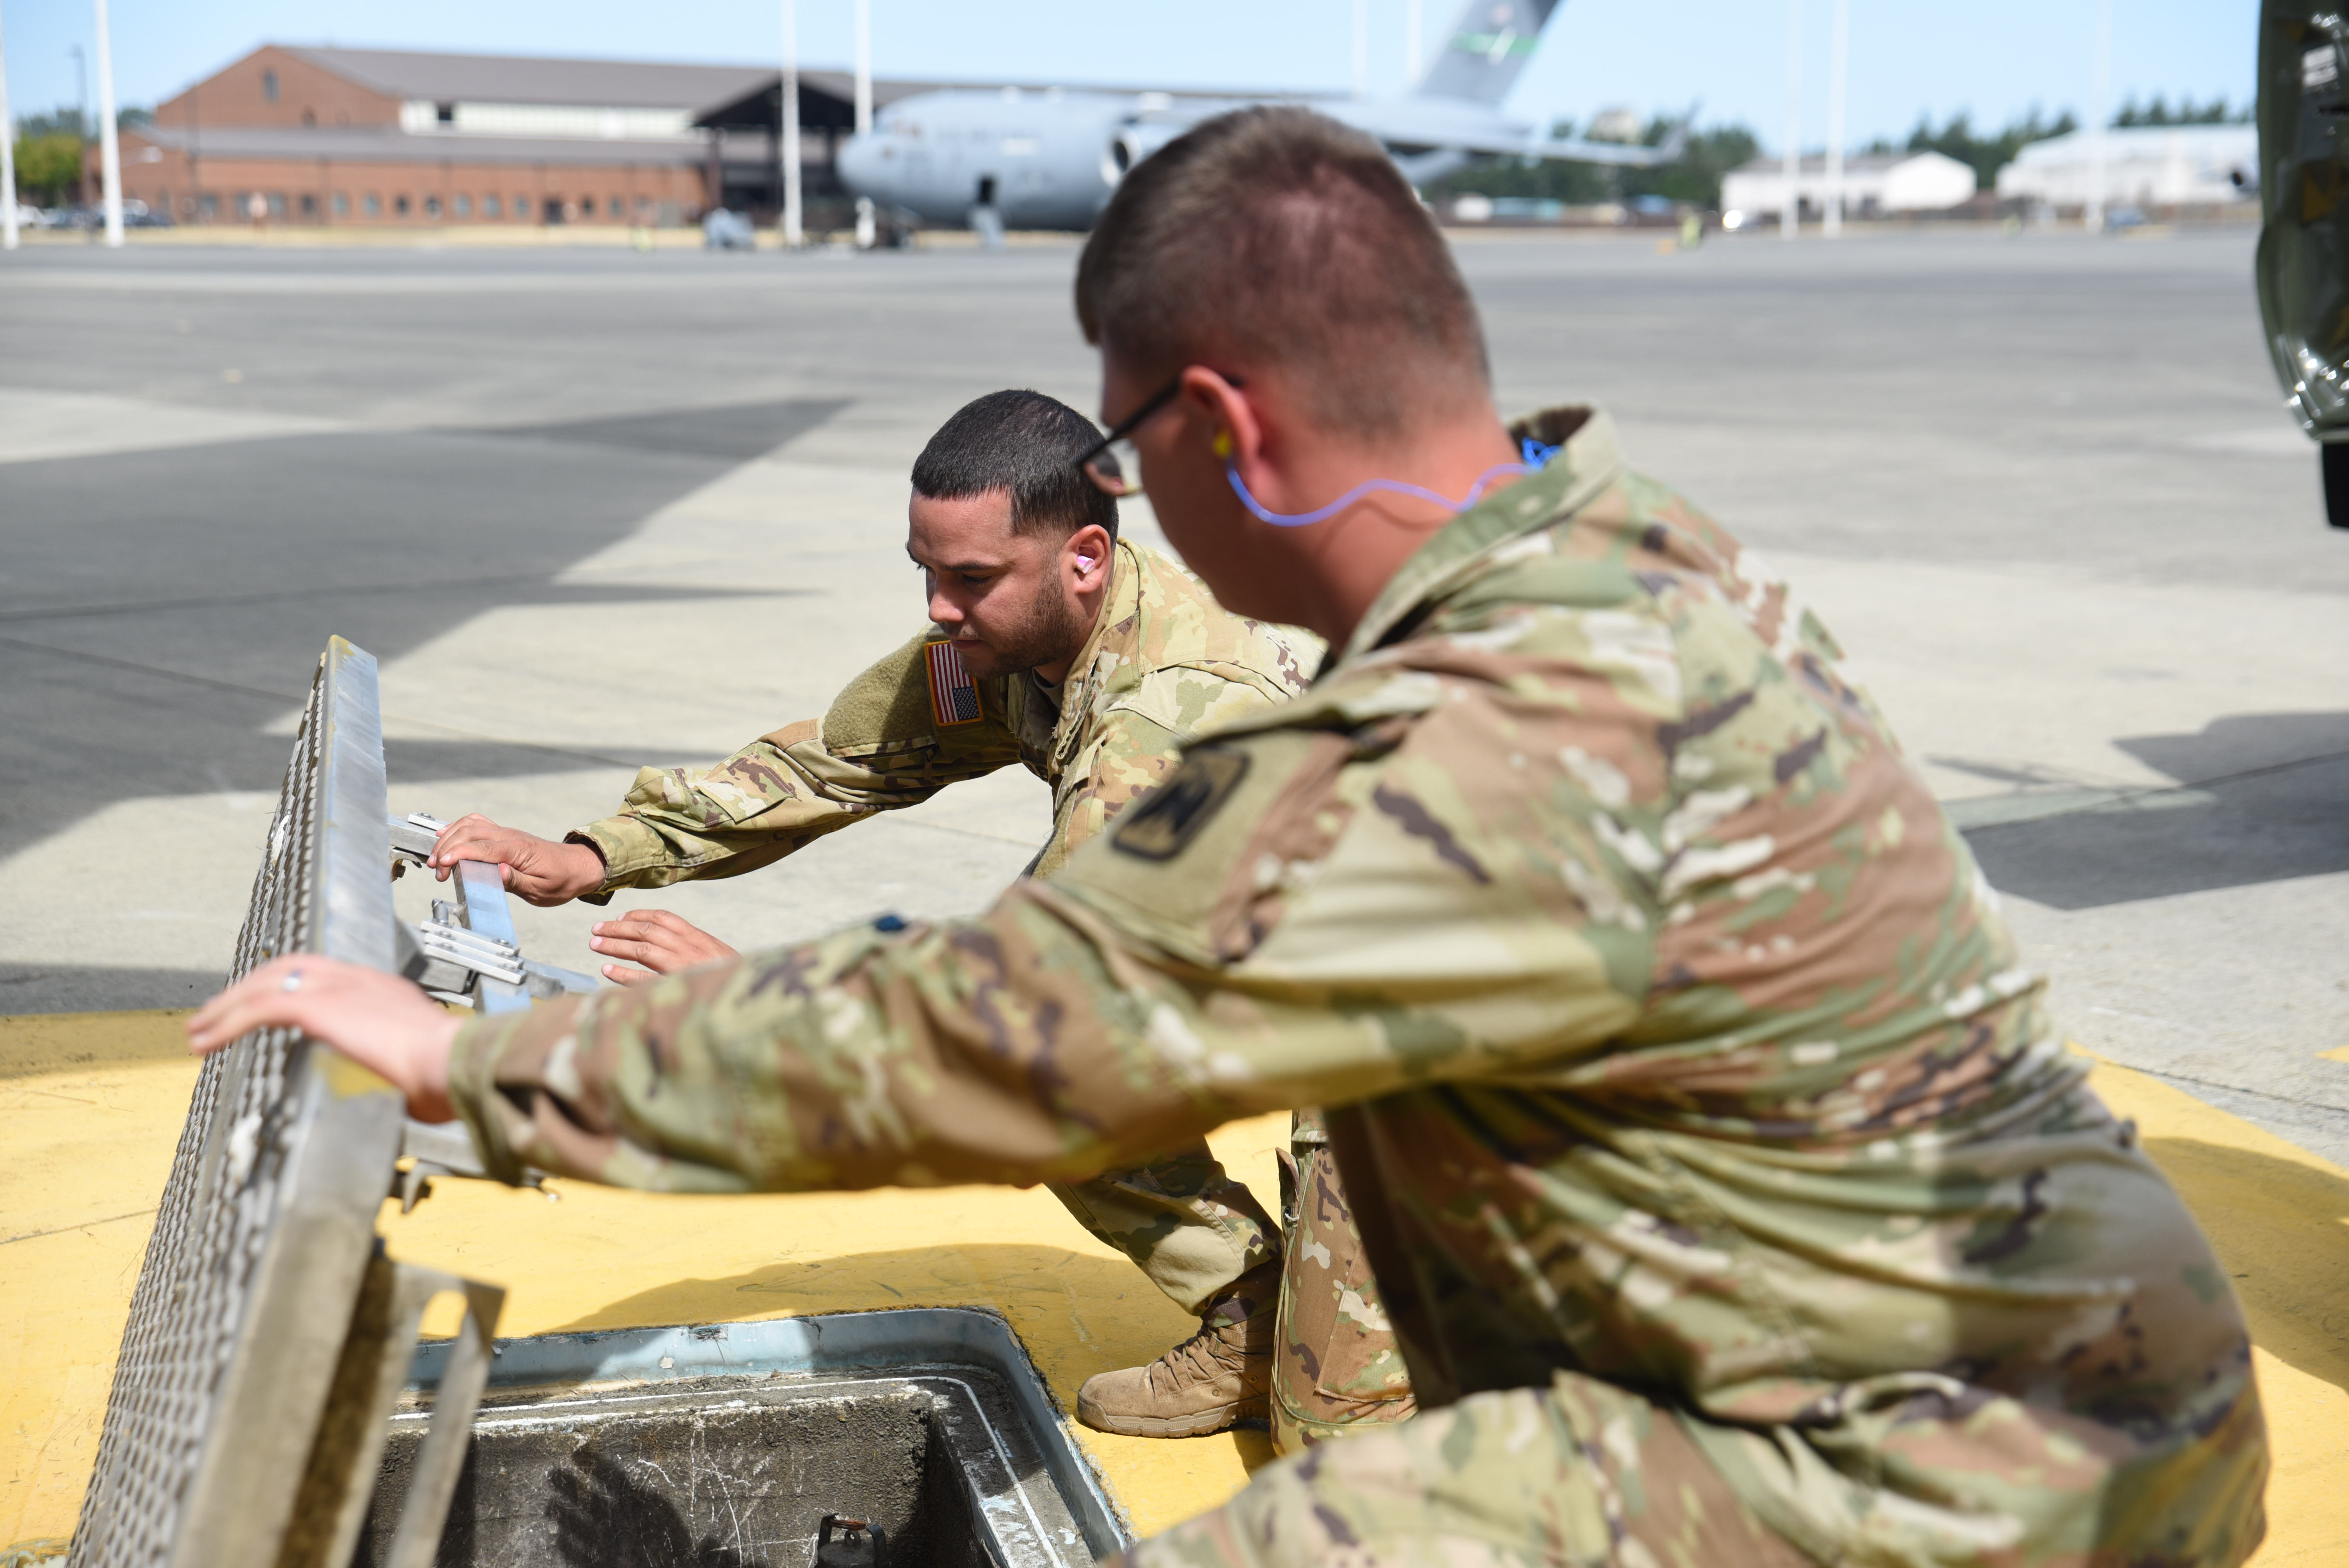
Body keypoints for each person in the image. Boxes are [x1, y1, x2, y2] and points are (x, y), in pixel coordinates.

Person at [193, 107, 2268, 1566]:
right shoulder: (1623, 557)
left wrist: (481, 1058)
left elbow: (1023, 1025)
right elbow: (862, 772)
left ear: (1223, 434)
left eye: (1137, 450)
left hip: (1969, 1471)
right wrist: (598, 858)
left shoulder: (1467, 744)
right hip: (2010, 1361)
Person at [416, 386, 1367, 1443]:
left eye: (970, 580)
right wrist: (590, 855)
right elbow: (838, 759)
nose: (938, 612)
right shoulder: (1022, 637)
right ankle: (1252, 1312)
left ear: (1084, 558)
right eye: (925, 572)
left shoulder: (1168, 723)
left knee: (1345, 1449)